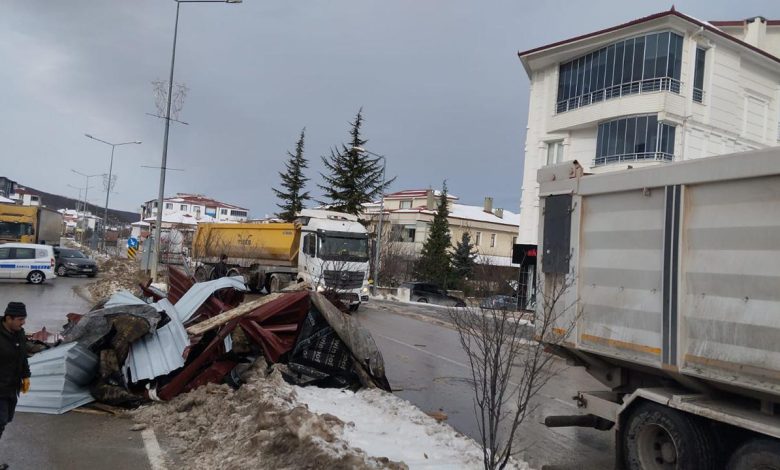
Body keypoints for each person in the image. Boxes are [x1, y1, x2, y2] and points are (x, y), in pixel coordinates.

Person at [0, 302, 30, 463]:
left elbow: (23, 356)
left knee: (4, 422)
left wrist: (26, 376)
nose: (23, 322)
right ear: (8, 318)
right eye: (20, 319)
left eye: (24, 319)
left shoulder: (19, 333)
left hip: (11, 387)